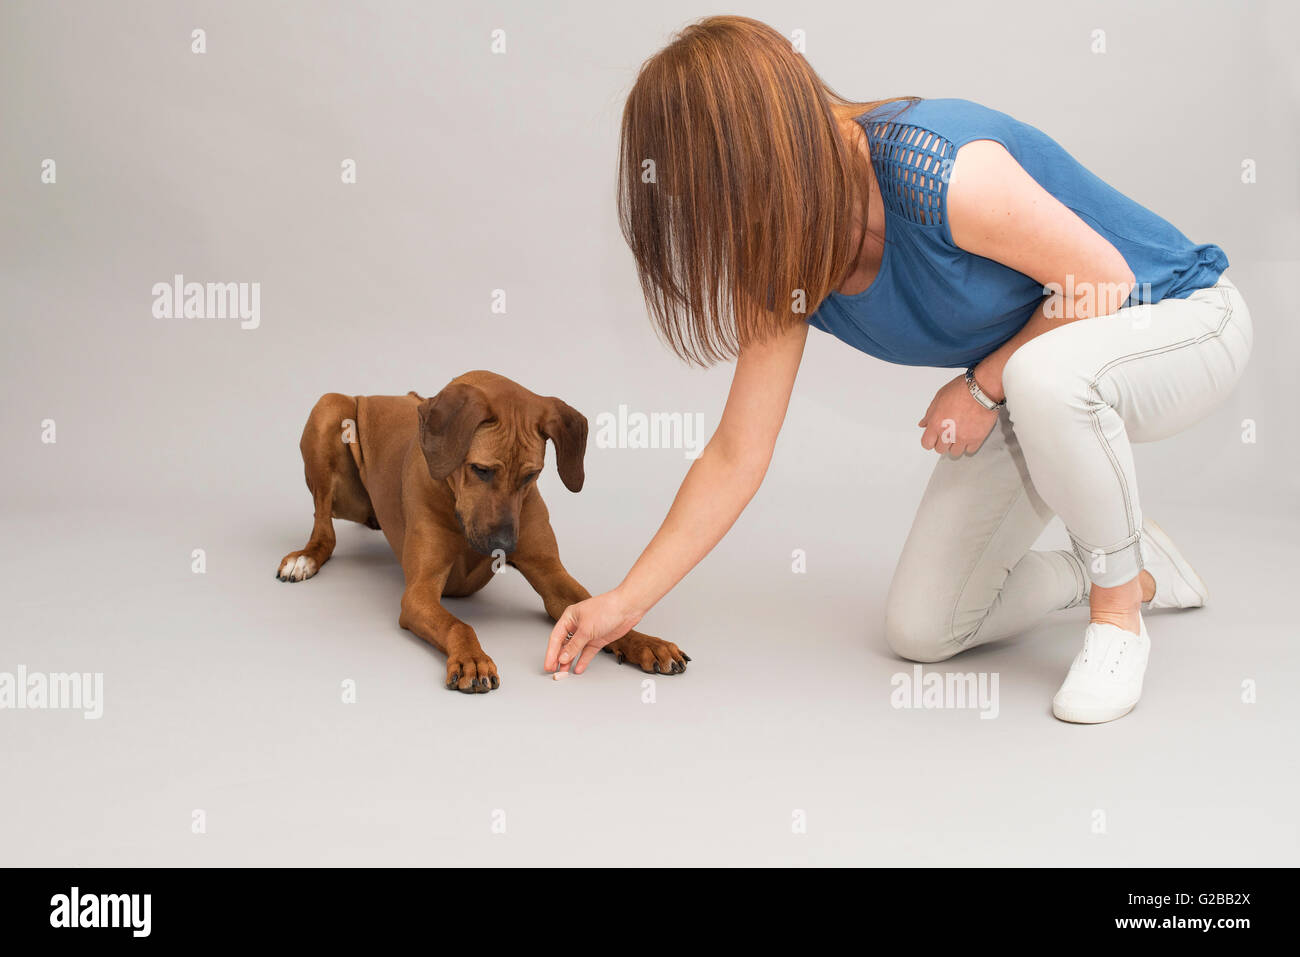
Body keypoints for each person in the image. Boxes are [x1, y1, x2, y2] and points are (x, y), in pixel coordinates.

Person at [543, 16, 1252, 723]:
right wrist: (623, 602)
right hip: (1037, 379)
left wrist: (981, 384)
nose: (715, 226)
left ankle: (1118, 616)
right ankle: (1132, 560)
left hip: (1180, 318)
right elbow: (735, 455)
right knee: (925, 627)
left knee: (1039, 378)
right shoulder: (789, 255)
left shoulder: (936, 169)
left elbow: (1102, 279)